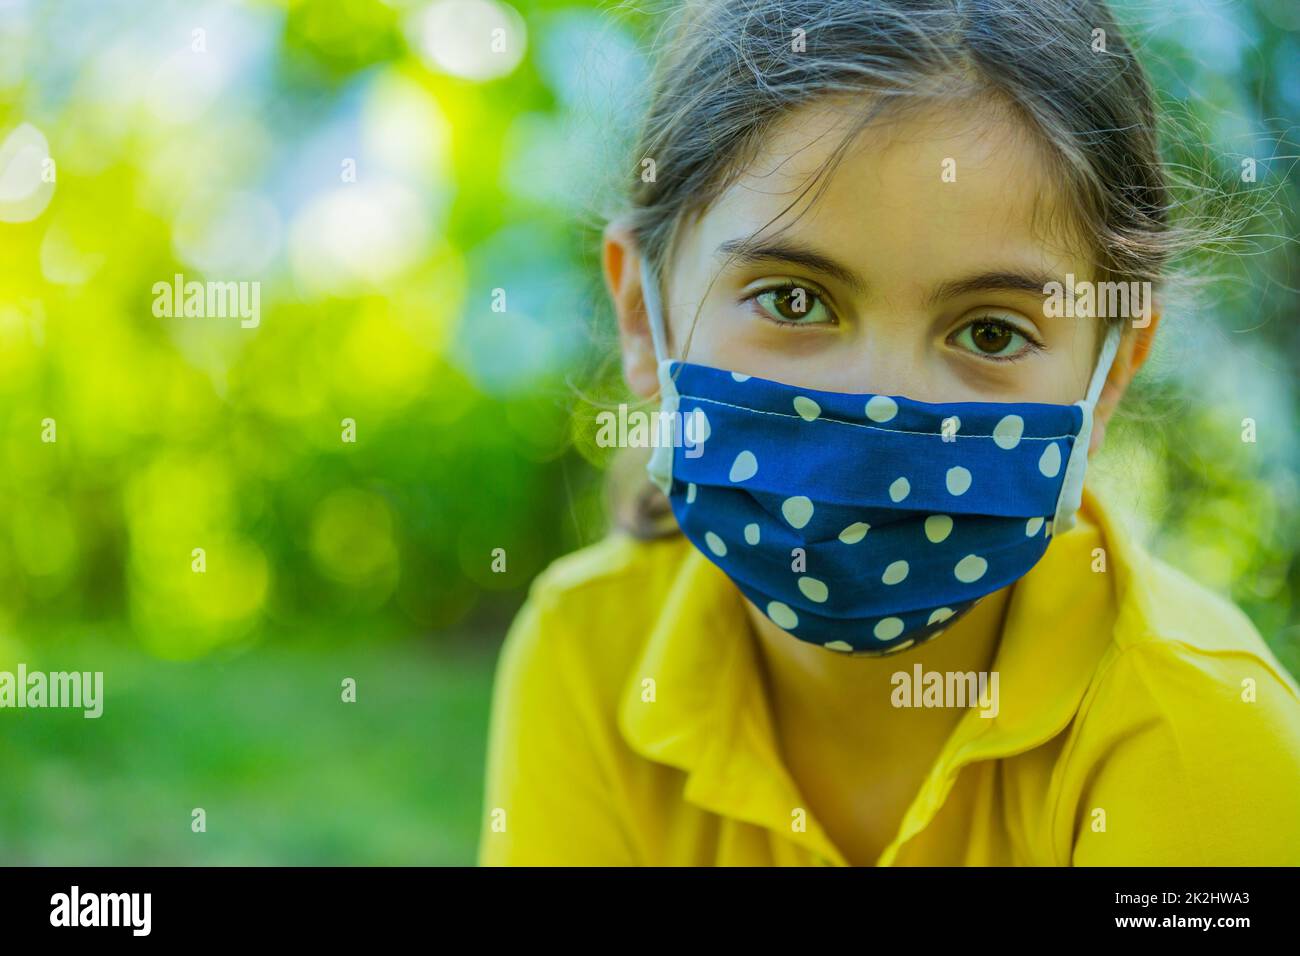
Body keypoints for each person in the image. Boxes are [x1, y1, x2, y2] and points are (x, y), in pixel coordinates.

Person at [478, 0, 1300, 866]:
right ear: (643, 318)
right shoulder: (586, 655)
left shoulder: (1199, 736)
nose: (878, 410)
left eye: (989, 332)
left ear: (1110, 376)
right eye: (795, 301)